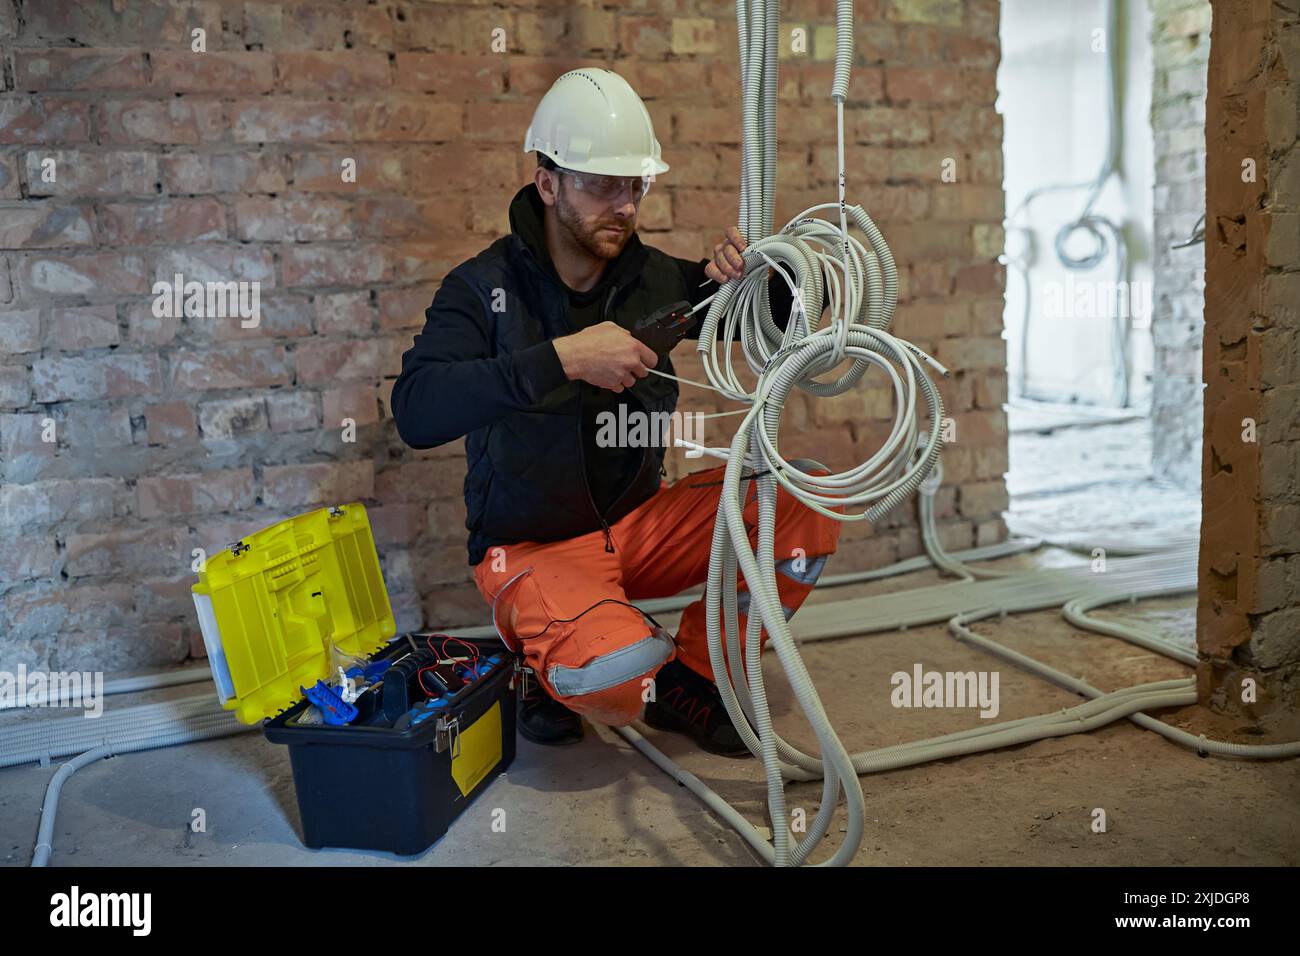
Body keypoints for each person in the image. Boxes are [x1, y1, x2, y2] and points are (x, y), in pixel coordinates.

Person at [391, 68, 841, 757]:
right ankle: (549, 659)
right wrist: (563, 358)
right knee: (619, 690)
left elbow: (769, 317)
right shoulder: (484, 290)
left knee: (806, 506)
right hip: (531, 550)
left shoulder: (656, 280)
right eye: (602, 185)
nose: (625, 206)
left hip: (637, 528)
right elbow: (417, 412)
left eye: (635, 186)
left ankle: (692, 673)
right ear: (548, 182)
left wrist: (770, 275)